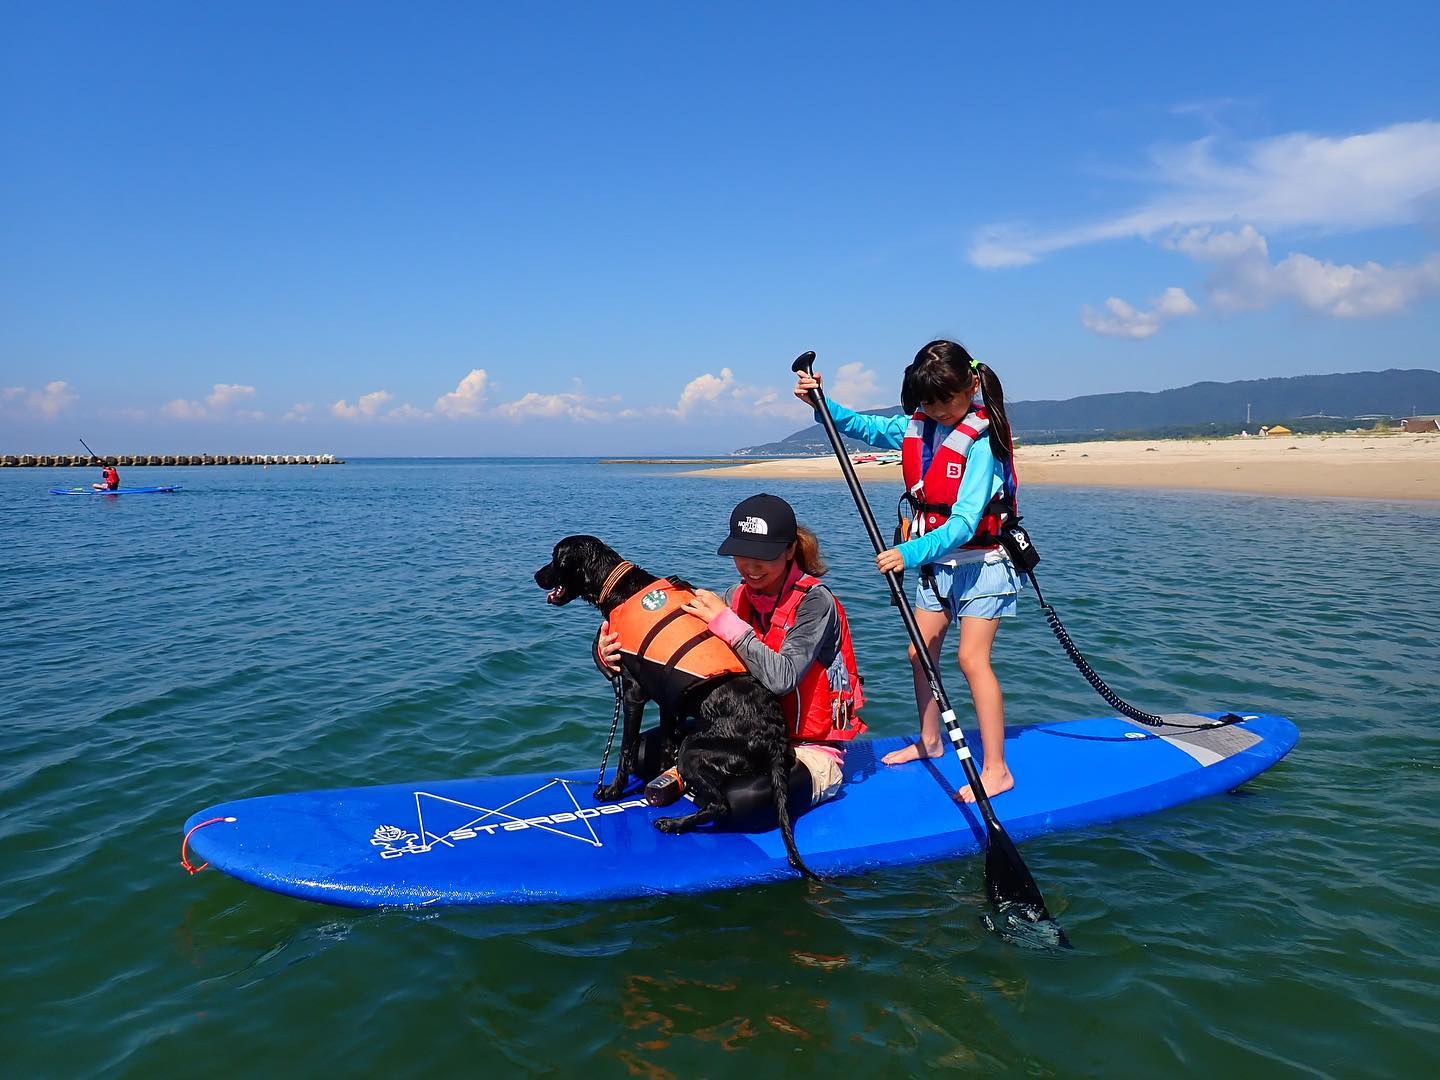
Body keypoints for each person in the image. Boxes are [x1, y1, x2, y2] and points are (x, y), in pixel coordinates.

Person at [794, 339, 1021, 802]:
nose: (939, 413)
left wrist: (909, 552)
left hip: (983, 566)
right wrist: (821, 400)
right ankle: (930, 740)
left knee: (971, 659)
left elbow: (964, 522)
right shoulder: (920, 427)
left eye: (948, 402)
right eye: (929, 404)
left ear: (971, 386)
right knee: (920, 654)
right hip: (937, 567)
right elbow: (859, 425)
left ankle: (996, 769)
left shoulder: (982, 443)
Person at [597, 493, 866, 811]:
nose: (750, 568)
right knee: (642, 755)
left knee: (744, 801)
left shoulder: (816, 603)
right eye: (741, 554)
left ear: (790, 549)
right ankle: (692, 773)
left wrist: (725, 622)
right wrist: (610, 655)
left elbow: (782, 678)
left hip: (809, 748)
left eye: (762, 557)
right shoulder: (734, 597)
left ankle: (691, 777)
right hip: (746, 736)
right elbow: (676, 660)